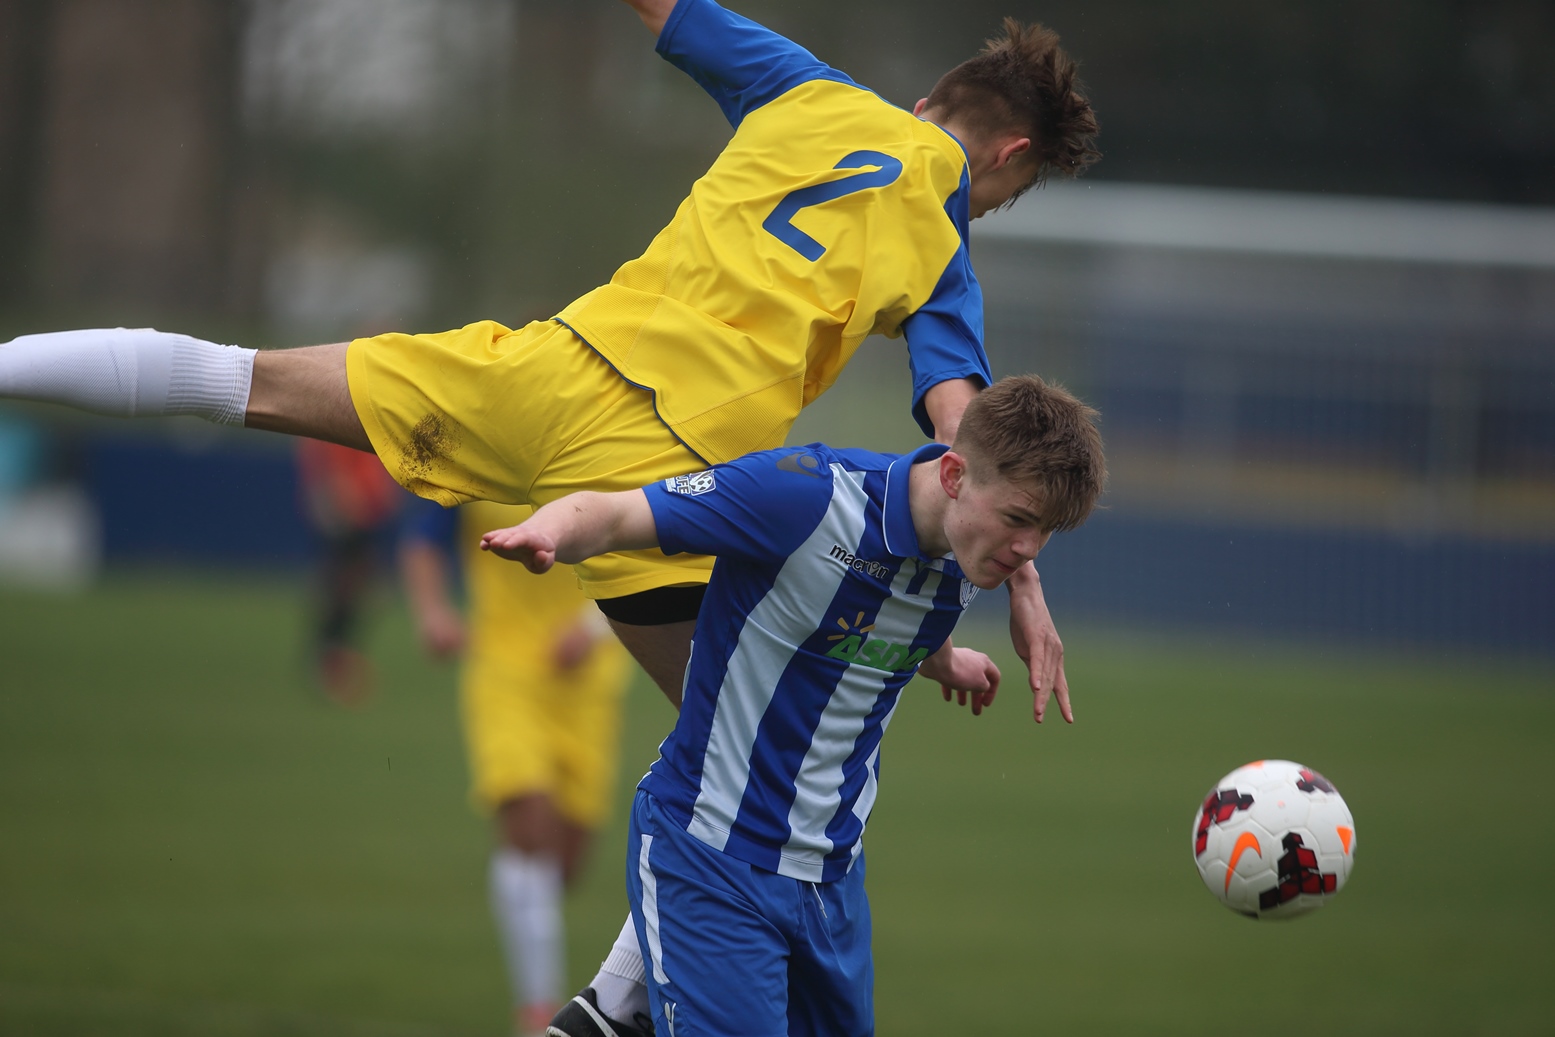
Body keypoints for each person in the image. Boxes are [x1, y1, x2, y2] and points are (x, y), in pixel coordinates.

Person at [0, 0, 1098, 1027]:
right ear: (1008, 154)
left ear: (926, 102)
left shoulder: (807, 88)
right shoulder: (941, 234)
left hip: (548, 369)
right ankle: (608, 1007)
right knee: (760, 789)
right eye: (1008, 193)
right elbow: (971, 449)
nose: (987, 209)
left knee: (242, 378)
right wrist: (1022, 581)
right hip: (661, 460)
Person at [481, 375, 1106, 1037]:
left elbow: (882, 605)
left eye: (1044, 531)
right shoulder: (803, 496)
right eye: (1019, 521)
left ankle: (609, 1013)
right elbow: (620, 515)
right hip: (713, 850)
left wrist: (946, 658)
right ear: (953, 476)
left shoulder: (966, 546)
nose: (1028, 549)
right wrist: (547, 532)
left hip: (831, 879)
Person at [400, 499, 634, 1036]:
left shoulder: (594, 461)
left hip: (586, 683)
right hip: (502, 671)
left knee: (565, 863)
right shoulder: (475, 464)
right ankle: (535, 1010)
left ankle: (537, 970)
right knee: (529, 824)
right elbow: (423, 540)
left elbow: (645, 553)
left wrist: (593, 627)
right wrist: (433, 612)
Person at [296, 438, 405, 704]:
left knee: (359, 588)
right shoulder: (333, 428)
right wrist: (339, 497)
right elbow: (327, 462)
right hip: (351, 511)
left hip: (366, 510)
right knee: (346, 587)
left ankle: (334, 657)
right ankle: (330, 661)